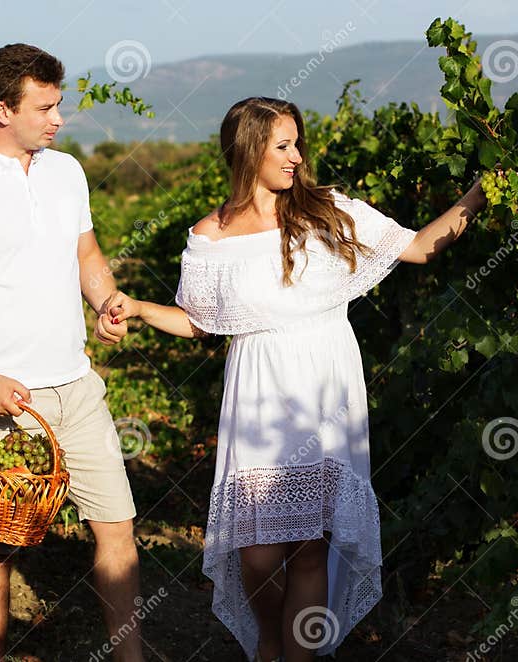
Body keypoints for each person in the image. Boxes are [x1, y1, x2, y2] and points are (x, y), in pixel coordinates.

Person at [103, 96, 486, 661]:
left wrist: (482, 193)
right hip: (258, 394)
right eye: (283, 145)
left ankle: (295, 656)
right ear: (249, 149)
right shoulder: (211, 235)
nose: (296, 155)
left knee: (308, 547)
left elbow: (419, 248)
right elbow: (198, 321)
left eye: (296, 143)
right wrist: (137, 307)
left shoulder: (327, 211)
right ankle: (269, 642)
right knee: (257, 556)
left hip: (324, 387)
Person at [0, 43, 143, 662]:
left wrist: (105, 302)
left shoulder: (66, 172)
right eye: (44, 107)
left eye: (58, 105)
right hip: (6, 398)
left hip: (77, 386)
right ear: (1, 109)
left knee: (118, 530)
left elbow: (87, 257)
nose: (57, 119)